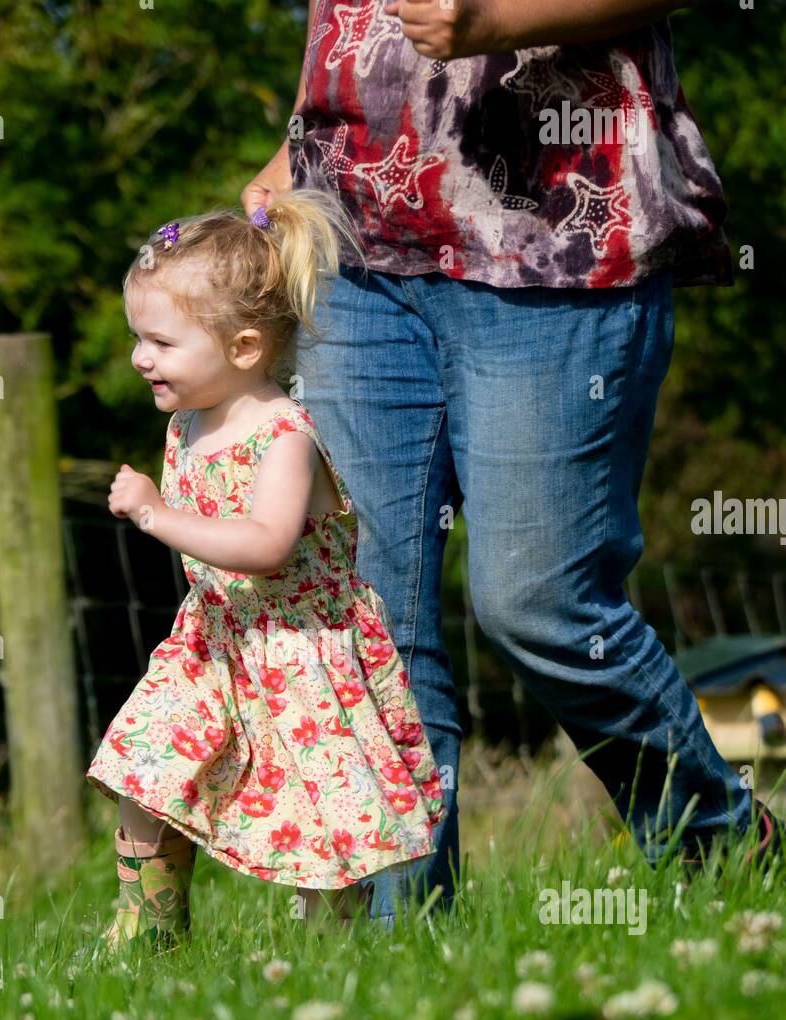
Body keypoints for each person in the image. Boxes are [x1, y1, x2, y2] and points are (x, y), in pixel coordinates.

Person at [241, 0, 781, 927]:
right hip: (352, 257)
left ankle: (723, 847)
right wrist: (284, 166)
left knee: (537, 604)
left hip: (557, 249)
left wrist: (496, 19)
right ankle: (403, 935)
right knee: (370, 610)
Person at [85, 191, 446, 949]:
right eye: (136, 338)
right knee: (144, 767)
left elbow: (267, 544)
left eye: (158, 342)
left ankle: (330, 963)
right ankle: (148, 928)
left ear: (243, 347)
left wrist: (156, 516)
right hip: (214, 644)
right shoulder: (187, 424)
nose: (138, 358)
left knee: (325, 821)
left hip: (300, 654)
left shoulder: (283, 432)